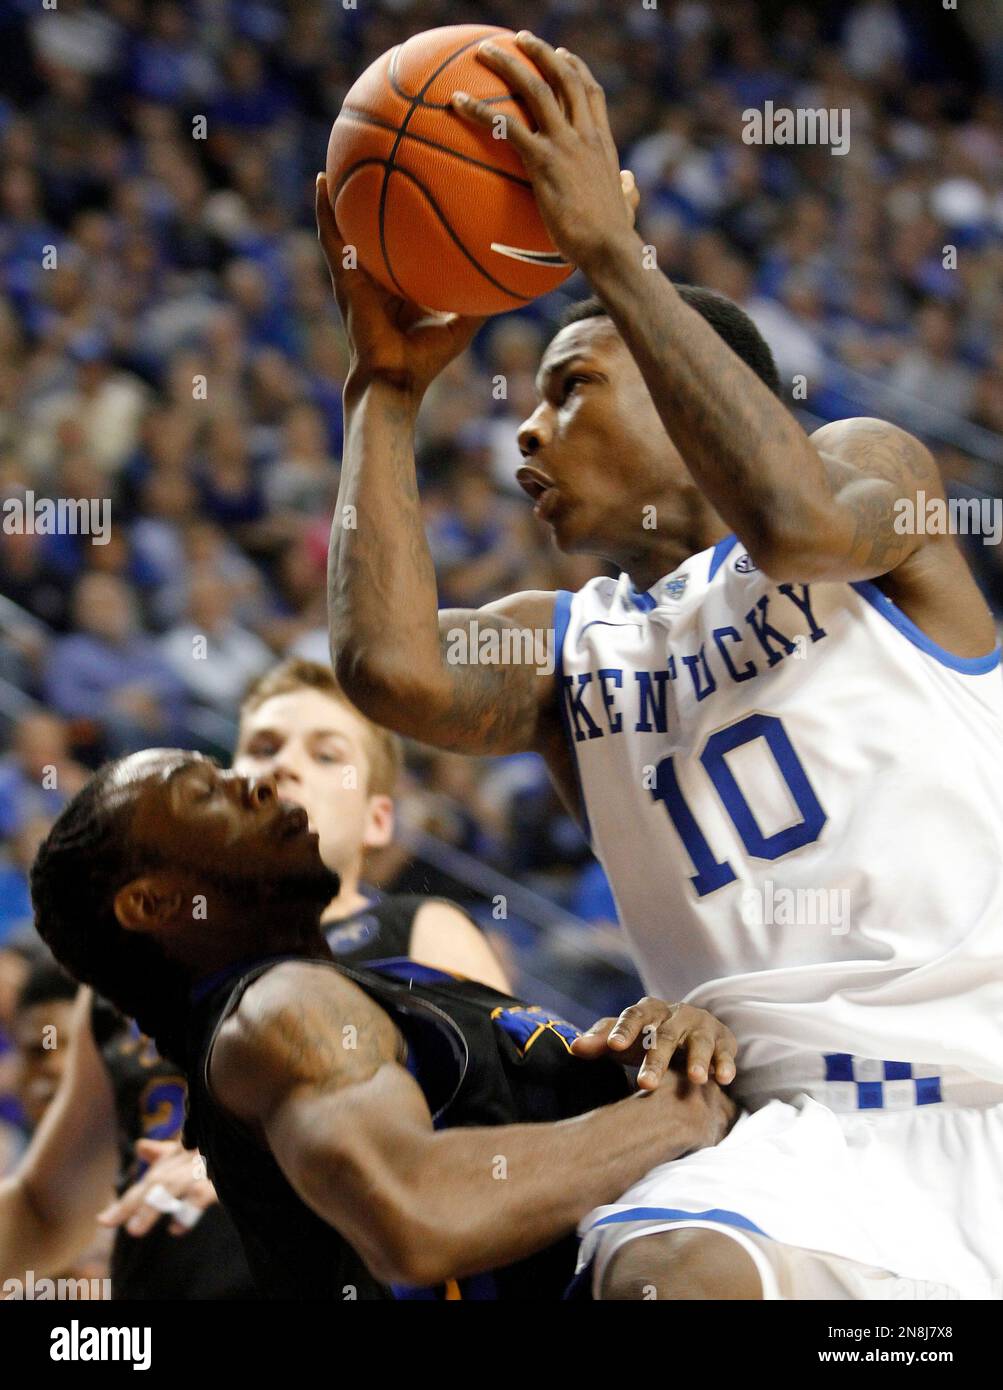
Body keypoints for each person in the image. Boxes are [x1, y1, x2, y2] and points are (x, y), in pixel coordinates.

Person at [319, 31, 1003, 1301]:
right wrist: (386, 391)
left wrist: (612, 260)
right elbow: (389, 673)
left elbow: (794, 523)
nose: (525, 426)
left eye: (570, 386)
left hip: (991, 1078)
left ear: (696, 388)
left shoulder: (872, 474)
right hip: (793, 1137)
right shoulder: (573, 641)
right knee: (664, 1274)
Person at [30, 750, 736, 1300]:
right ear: (151, 904)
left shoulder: (363, 986)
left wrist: (642, 1050)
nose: (257, 784)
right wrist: (676, 1117)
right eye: (205, 794)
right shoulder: (276, 1007)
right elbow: (416, 1214)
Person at [0, 658, 509, 1297]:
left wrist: (275, 1153)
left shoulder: (419, 931)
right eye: (261, 747)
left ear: (379, 820)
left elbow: (498, 1153)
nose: (281, 767)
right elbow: (47, 1209)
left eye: (327, 755)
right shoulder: (128, 986)